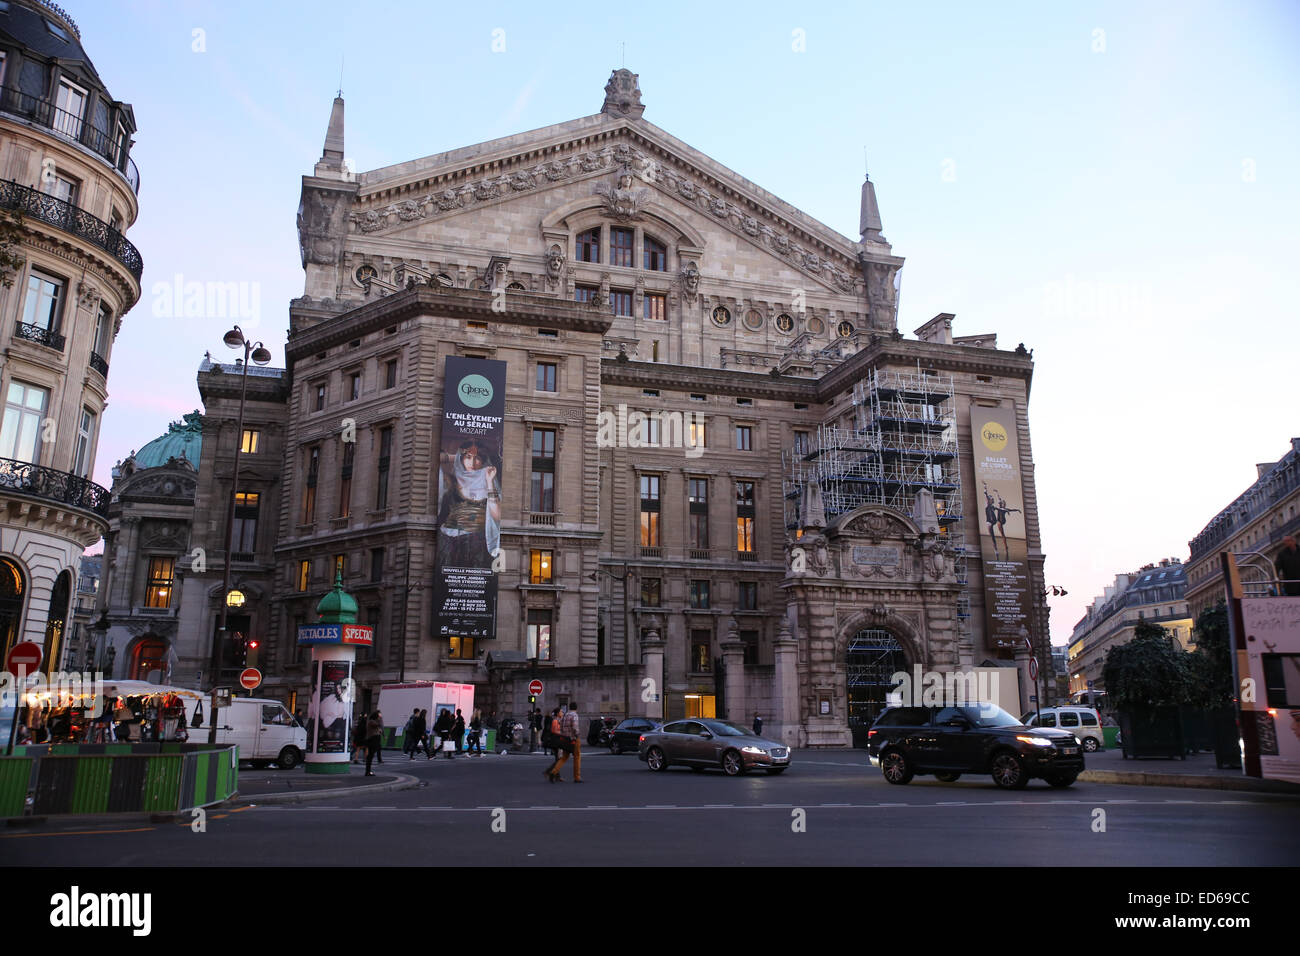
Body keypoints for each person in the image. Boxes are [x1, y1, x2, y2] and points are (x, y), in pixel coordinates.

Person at [436, 439, 502, 571]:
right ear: (461, 459)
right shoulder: (451, 479)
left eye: (477, 458)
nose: (472, 462)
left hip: (477, 543)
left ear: (483, 460)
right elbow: (433, 458)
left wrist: (489, 482)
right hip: (449, 541)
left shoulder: (489, 481)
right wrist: (456, 455)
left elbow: (496, 516)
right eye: (468, 457)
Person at [543, 707, 571, 782]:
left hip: (558, 741)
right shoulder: (555, 721)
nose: (562, 713)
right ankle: (548, 771)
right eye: (561, 712)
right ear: (558, 713)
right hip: (557, 742)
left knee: (558, 759)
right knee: (559, 759)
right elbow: (555, 731)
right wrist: (562, 734)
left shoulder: (559, 720)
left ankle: (556, 776)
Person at [561, 702, 582, 783]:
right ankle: (577, 777)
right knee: (577, 757)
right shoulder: (574, 715)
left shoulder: (565, 715)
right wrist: (577, 735)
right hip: (573, 738)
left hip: (565, 738)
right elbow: (575, 727)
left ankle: (553, 772)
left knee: (564, 757)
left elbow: (562, 726)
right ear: (576, 708)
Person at [364, 711, 383, 776]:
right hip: (372, 739)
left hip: (374, 739)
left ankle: (368, 771)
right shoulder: (371, 721)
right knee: (370, 755)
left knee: (371, 755)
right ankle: (367, 771)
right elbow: (378, 725)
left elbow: (379, 729)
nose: (379, 716)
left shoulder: (372, 722)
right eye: (378, 715)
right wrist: (380, 719)